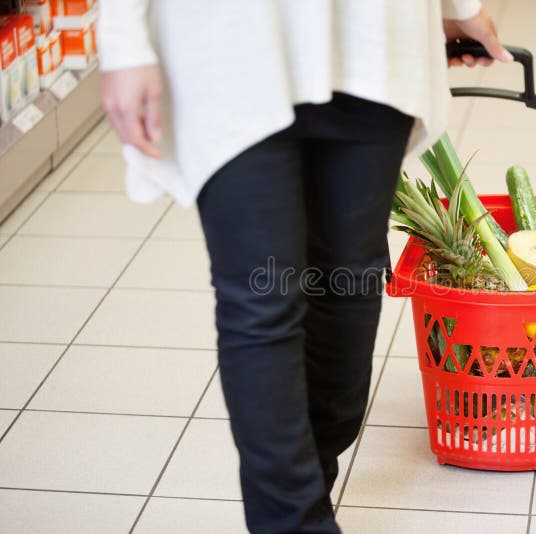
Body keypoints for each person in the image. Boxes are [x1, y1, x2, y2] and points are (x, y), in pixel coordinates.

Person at [97, 1, 510, 532]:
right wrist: (123, 40)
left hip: (373, 38)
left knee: (348, 293)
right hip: (227, 42)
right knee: (263, 301)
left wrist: (459, 7)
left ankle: (307, 489)